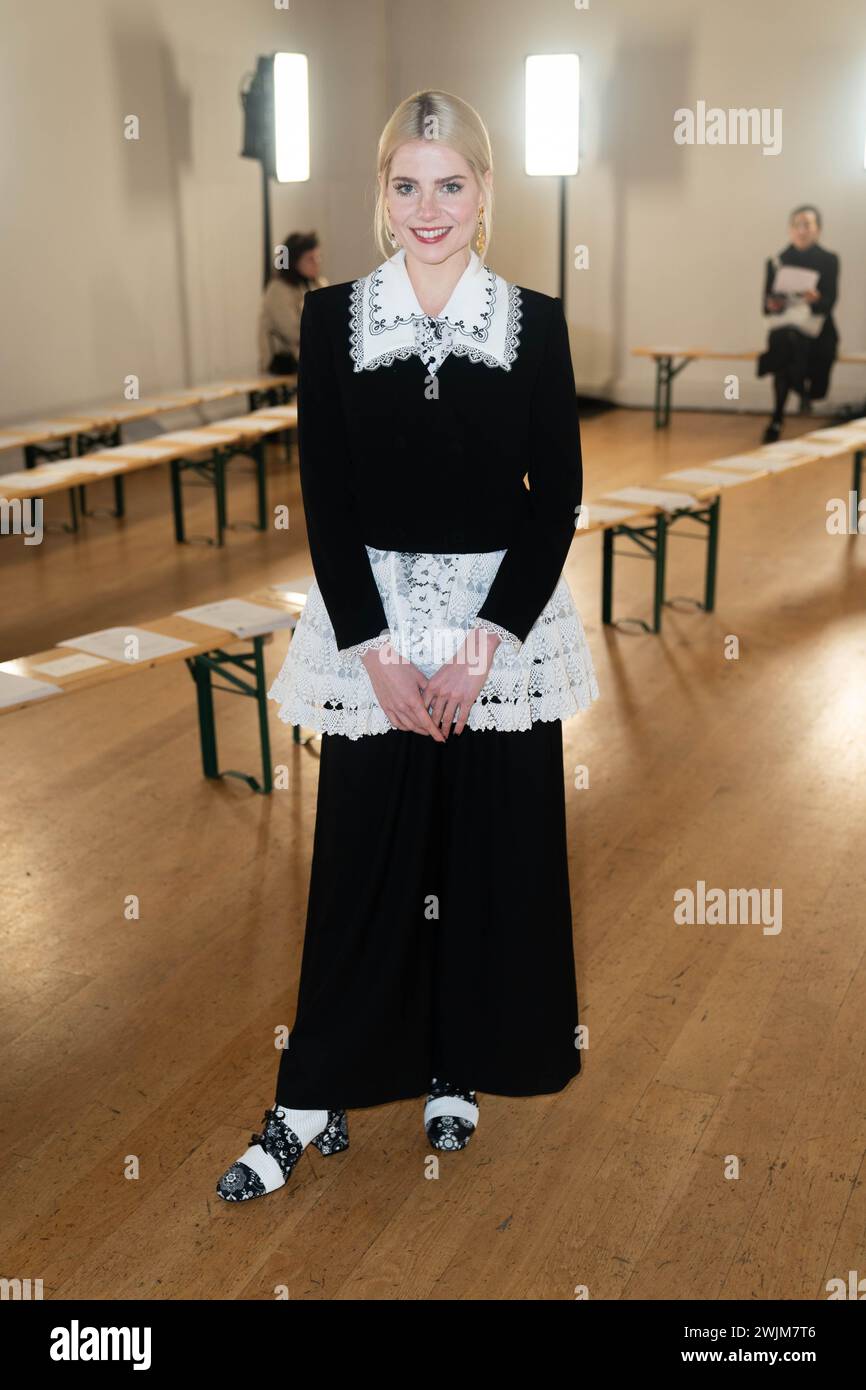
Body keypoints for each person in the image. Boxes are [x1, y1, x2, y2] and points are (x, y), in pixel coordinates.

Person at [216, 89, 600, 1203]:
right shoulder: (336, 318)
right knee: (360, 862)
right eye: (404, 185)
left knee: (482, 852)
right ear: (381, 196)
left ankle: (454, 1059)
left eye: (449, 184)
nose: (427, 208)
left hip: (498, 632)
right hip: (371, 626)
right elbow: (326, 500)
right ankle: (307, 1092)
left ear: (483, 194)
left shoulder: (533, 318)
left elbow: (557, 498)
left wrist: (485, 643)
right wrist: (378, 650)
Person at [757, 205, 839, 443]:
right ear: (790, 230)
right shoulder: (776, 261)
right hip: (786, 328)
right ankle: (783, 410)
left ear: (818, 230)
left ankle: (793, 401)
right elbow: (766, 304)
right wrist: (775, 304)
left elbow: (830, 301)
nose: (801, 230)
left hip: (817, 331)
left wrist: (816, 300)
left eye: (807, 225)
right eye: (797, 225)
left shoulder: (829, 260)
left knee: (789, 349)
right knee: (785, 341)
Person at [257, 231, 329, 374]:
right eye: (310, 259)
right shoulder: (278, 289)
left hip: (309, 360)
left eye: (318, 257)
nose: (316, 263)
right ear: (294, 261)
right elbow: (294, 331)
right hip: (283, 363)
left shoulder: (317, 284)